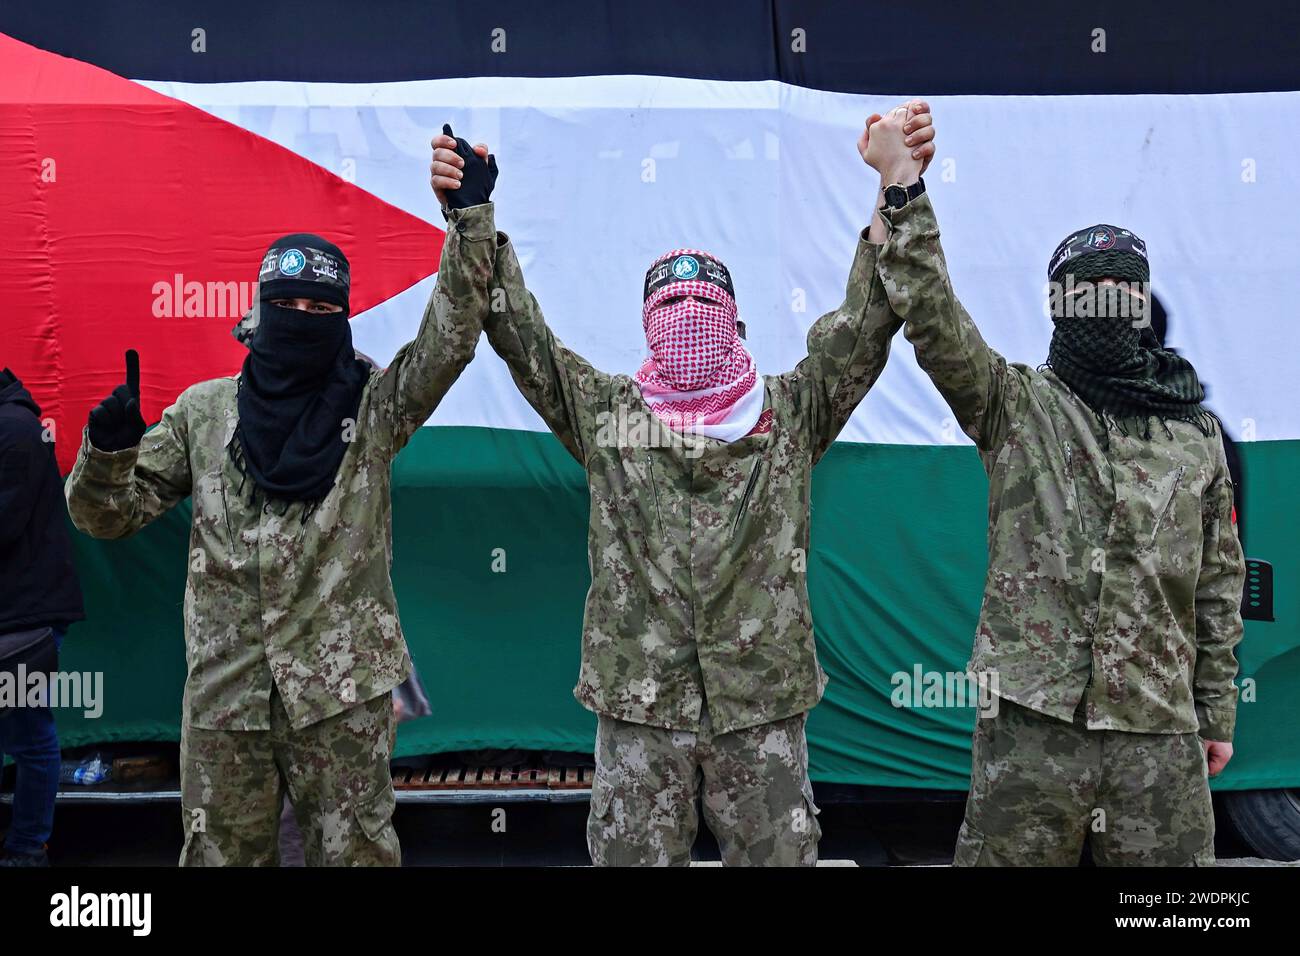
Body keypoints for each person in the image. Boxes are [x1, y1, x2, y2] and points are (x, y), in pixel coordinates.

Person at [429, 108, 936, 865]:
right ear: (644, 325)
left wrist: (897, 189)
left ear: (734, 323)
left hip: (758, 715)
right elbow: (517, 332)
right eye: (671, 308)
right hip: (640, 715)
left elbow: (867, 324)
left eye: (704, 309)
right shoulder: (607, 416)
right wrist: (470, 218)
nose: (689, 323)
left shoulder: (790, 414)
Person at [64, 131, 498, 866]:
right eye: (287, 302)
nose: (301, 316)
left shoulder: (374, 409)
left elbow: (451, 337)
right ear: (262, 311)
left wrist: (470, 219)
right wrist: (107, 452)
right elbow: (106, 518)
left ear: (344, 316)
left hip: (341, 701)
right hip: (225, 702)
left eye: (319, 307)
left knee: (356, 857)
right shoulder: (205, 415)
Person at [865, 105, 1245, 865]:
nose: (1104, 300)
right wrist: (902, 187)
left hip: (1157, 735)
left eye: (1120, 287)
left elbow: (1216, 584)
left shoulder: (1193, 434)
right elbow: (936, 322)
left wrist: (1215, 713)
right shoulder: (1017, 407)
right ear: (1058, 302)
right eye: (1086, 287)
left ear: (1142, 304)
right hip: (1031, 732)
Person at [0, 369, 86, 866]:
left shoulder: (13, 430)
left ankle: (29, 845)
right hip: (19, 614)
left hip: (22, 619)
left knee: (30, 737)